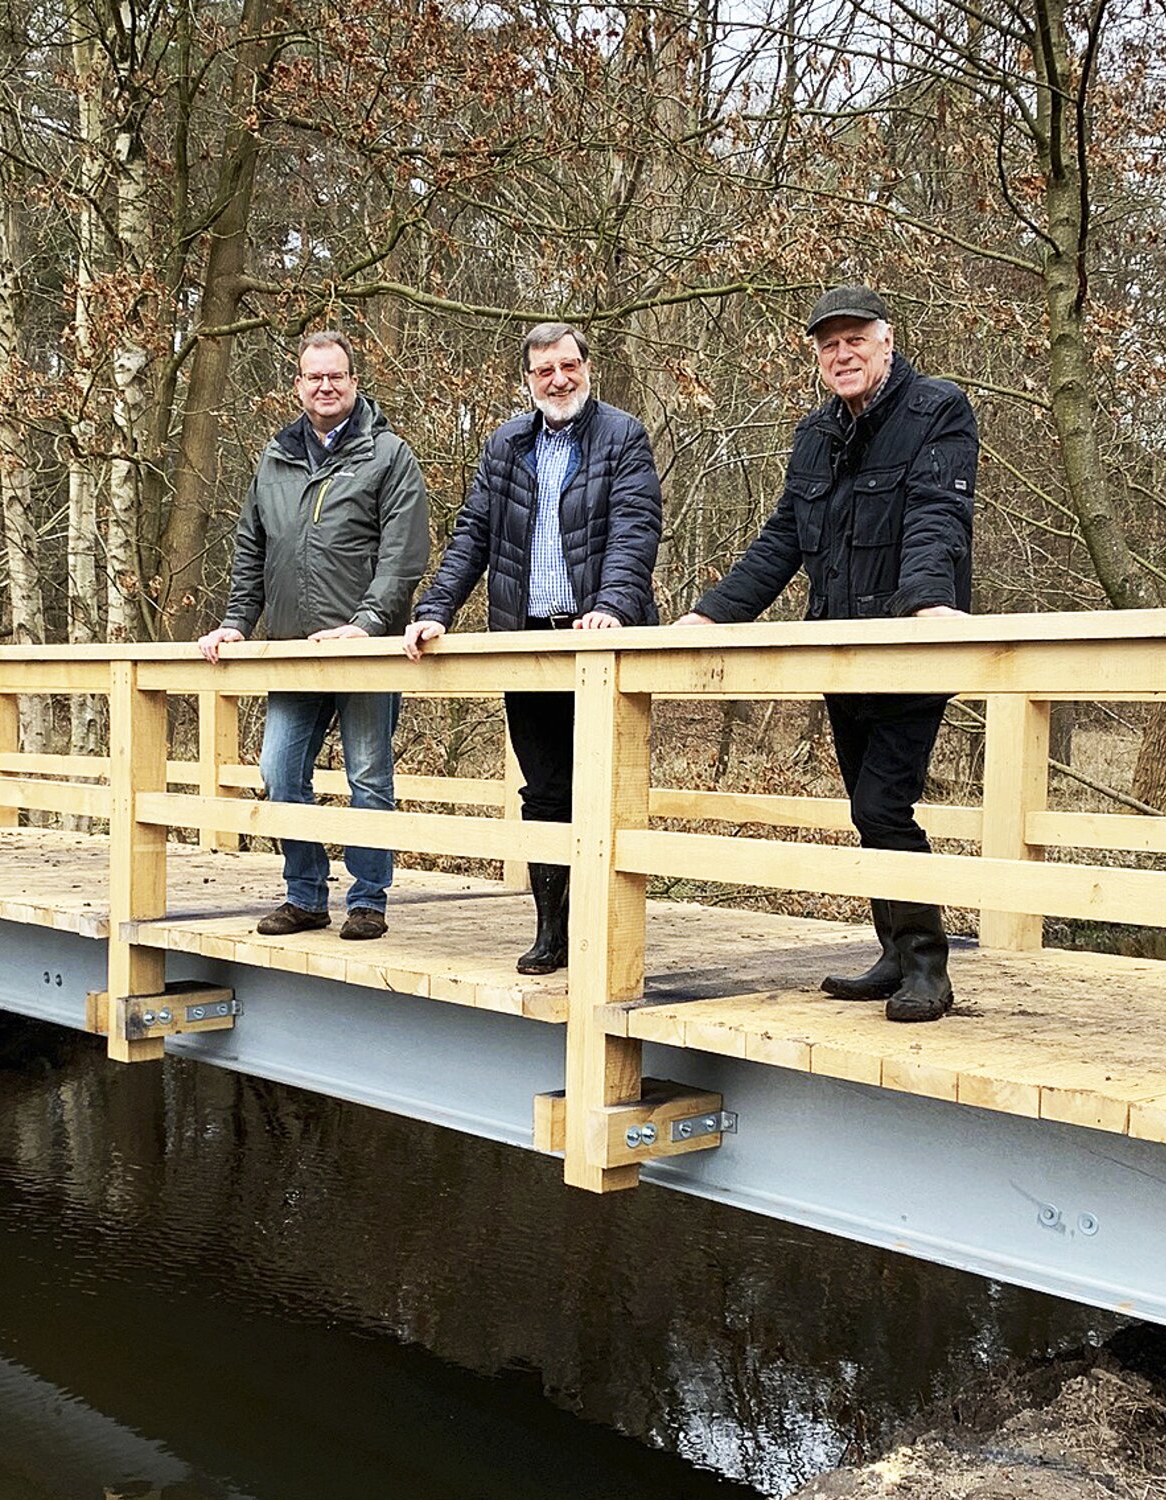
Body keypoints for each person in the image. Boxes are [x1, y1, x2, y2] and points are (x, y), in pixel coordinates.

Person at [678, 285, 978, 1023]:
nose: (841, 355)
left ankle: (927, 970)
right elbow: (782, 538)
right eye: (828, 345)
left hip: (908, 649)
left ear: (886, 342)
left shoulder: (936, 410)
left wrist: (926, 603)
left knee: (883, 804)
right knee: (867, 810)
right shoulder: (815, 433)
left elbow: (938, 514)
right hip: (836, 653)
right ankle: (893, 956)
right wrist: (711, 613)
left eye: (854, 341)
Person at [403, 322, 662, 975]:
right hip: (526, 641)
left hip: (600, 643)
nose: (559, 379)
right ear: (528, 380)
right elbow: (472, 535)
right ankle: (552, 930)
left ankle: (602, 929)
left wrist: (612, 607)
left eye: (568, 365)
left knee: (602, 791)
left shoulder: (622, 436)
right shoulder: (506, 445)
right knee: (544, 792)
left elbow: (634, 530)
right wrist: (434, 611)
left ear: (587, 367)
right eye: (544, 370)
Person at [199, 331, 430, 941]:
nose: (326, 386)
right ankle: (305, 895)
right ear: (298, 385)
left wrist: (367, 624)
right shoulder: (275, 458)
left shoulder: (388, 455)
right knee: (278, 771)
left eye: (336, 376)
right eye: (314, 377)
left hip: (364, 651)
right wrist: (235, 622)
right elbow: (251, 549)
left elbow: (403, 555)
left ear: (354, 381)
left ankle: (368, 900)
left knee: (368, 777)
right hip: (292, 652)